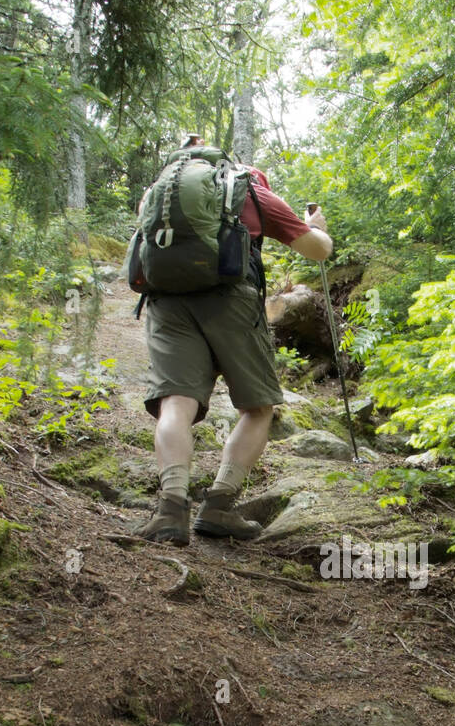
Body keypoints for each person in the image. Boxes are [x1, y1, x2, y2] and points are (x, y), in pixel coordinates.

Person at [135, 136, 333, 546]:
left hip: (166, 302)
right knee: (257, 407)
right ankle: (219, 506)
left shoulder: (156, 195)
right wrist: (316, 227)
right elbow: (317, 252)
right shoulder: (251, 191)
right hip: (230, 300)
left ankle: (170, 511)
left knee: (176, 404)